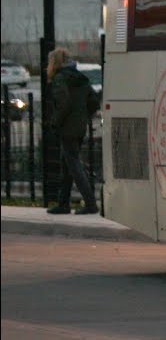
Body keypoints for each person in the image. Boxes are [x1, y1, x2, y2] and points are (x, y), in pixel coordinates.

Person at [45, 47, 97, 215]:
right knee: (67, 165)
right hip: (79, 127)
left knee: (74, 165)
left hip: (67, 128)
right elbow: (94, 101)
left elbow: (64, 103)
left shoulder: (60, 78)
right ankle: (63, 203)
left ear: (54, 62)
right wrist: (83, 116)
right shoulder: (80, 78)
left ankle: (90, 203)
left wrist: (54, 122)